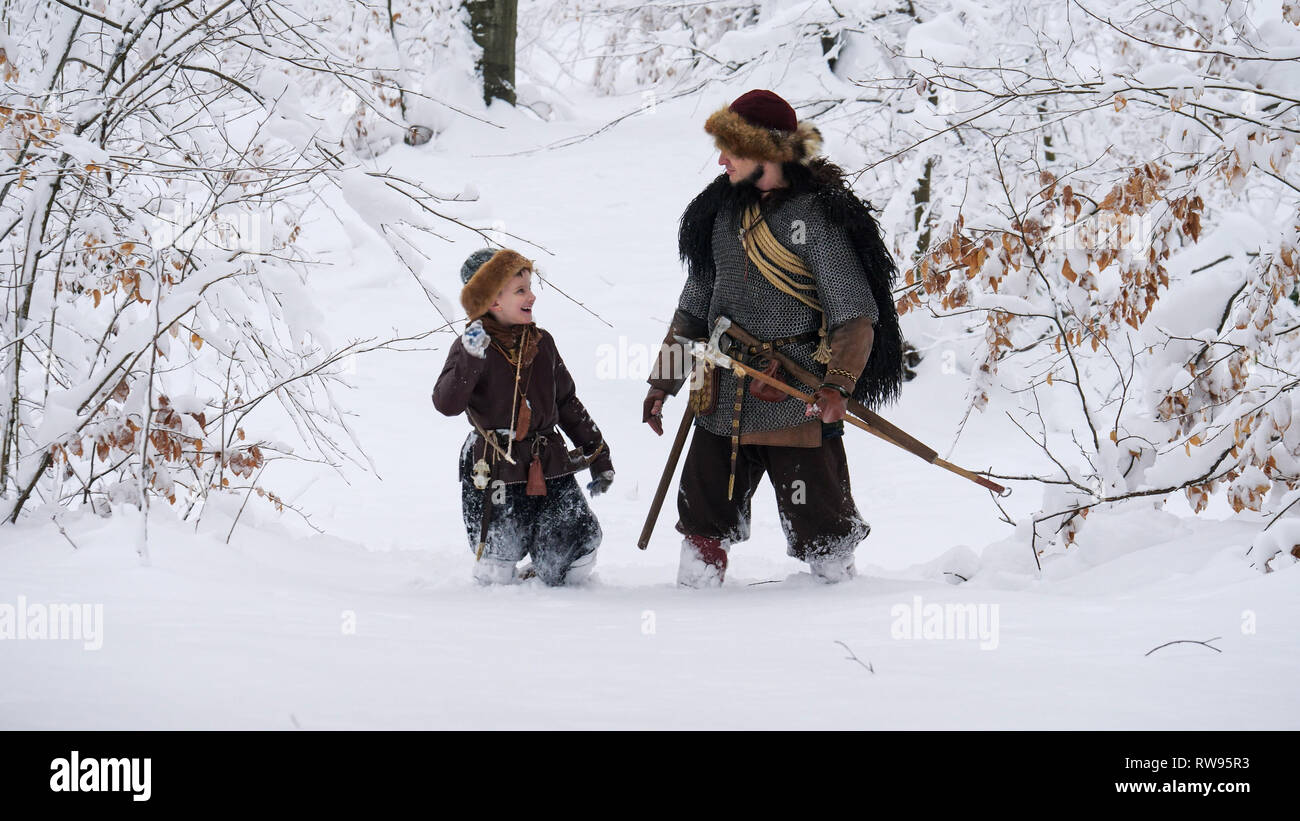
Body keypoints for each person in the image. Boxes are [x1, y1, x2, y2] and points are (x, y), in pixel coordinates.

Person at [643, 89, 904, 587]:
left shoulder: (818, 219)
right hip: (718, 396)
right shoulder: (718, 216)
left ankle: (838, 612)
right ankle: (692, 612)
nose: (720, 160)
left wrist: (838, 387)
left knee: (824, 527)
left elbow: (854, 316)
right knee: (703, 519)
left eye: (731, 150)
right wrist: (664, 382)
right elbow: (694, 307)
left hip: (796, 396)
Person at [434, 248, 615, 586]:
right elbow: (447, 403)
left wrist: (598, 454)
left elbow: (566, 401)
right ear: (491, 301)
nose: (532, 296)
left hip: (549, 464)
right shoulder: (471, 348)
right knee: (497, 566)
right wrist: (471, 357)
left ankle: (557, 588)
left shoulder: (543, 343)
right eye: (520, 290)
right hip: (494, 469)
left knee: (577, 544)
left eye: (529, 287)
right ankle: (504, 610)